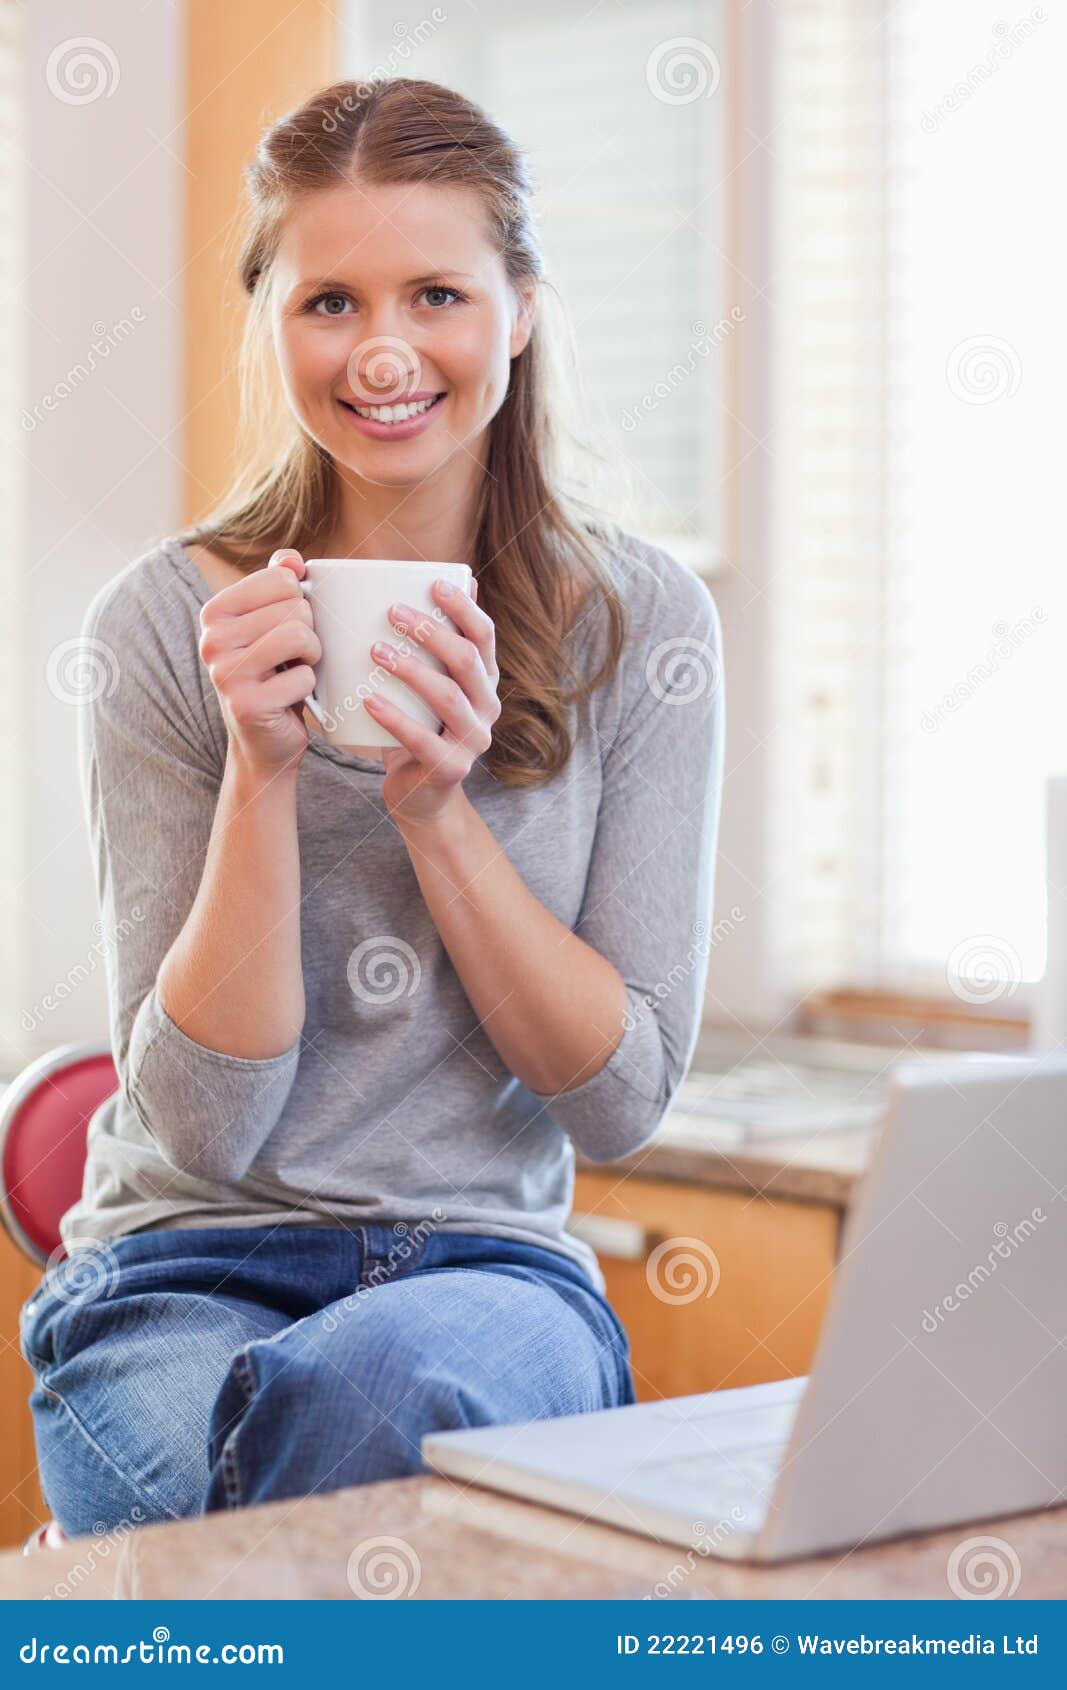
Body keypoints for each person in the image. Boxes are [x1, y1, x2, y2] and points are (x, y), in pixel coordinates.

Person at [19, 77, 726, 1538]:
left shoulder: (641, 622)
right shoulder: (162, 630)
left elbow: (619, 1100)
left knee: (365, 1393)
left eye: (439, 294)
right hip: (180, 1271)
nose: (385, 352)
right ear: (267, 318)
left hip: (487, 1273)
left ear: (519, 310)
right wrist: (264, 774)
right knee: (350, 1482)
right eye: (329, 301)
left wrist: (436, 811)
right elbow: (204, 1131)